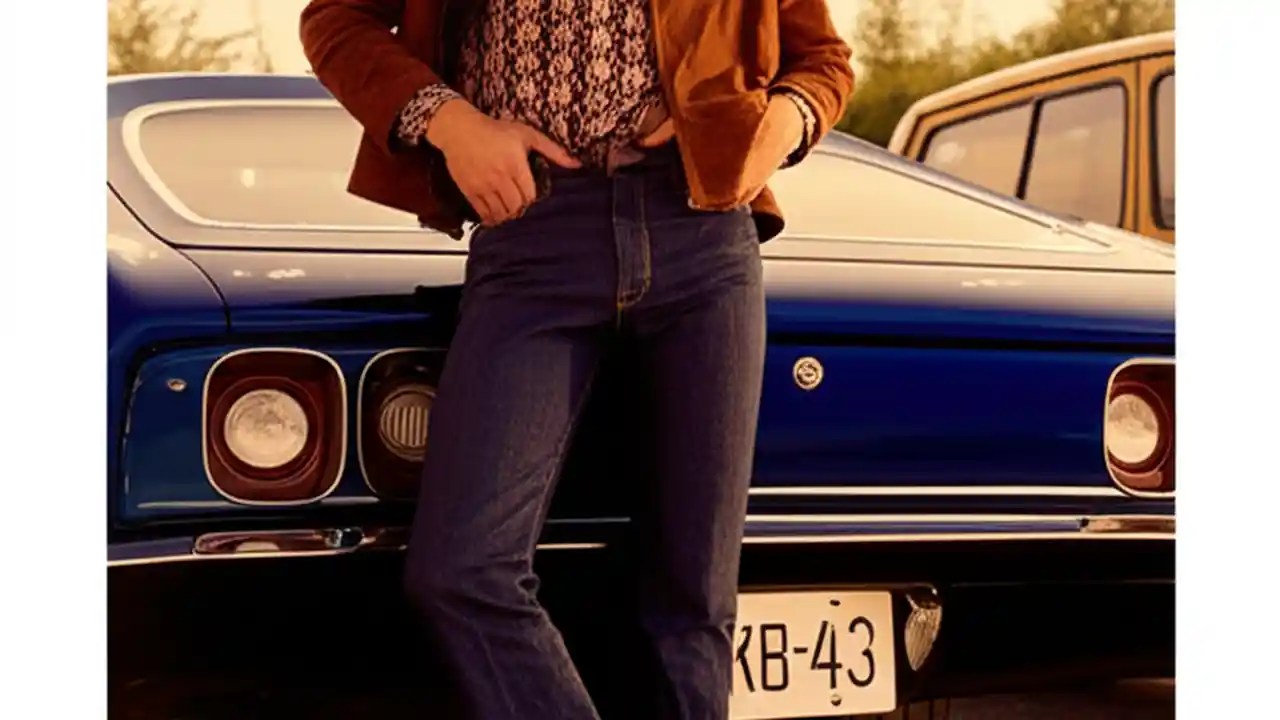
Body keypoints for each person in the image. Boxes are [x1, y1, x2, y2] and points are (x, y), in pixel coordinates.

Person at [300, 1, 854, 717]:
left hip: (704, 232)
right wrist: (453, 124)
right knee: (462, 571)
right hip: (533, 233)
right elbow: (336, 21)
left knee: (692, 603)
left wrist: (777, 126)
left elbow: (824, 62)